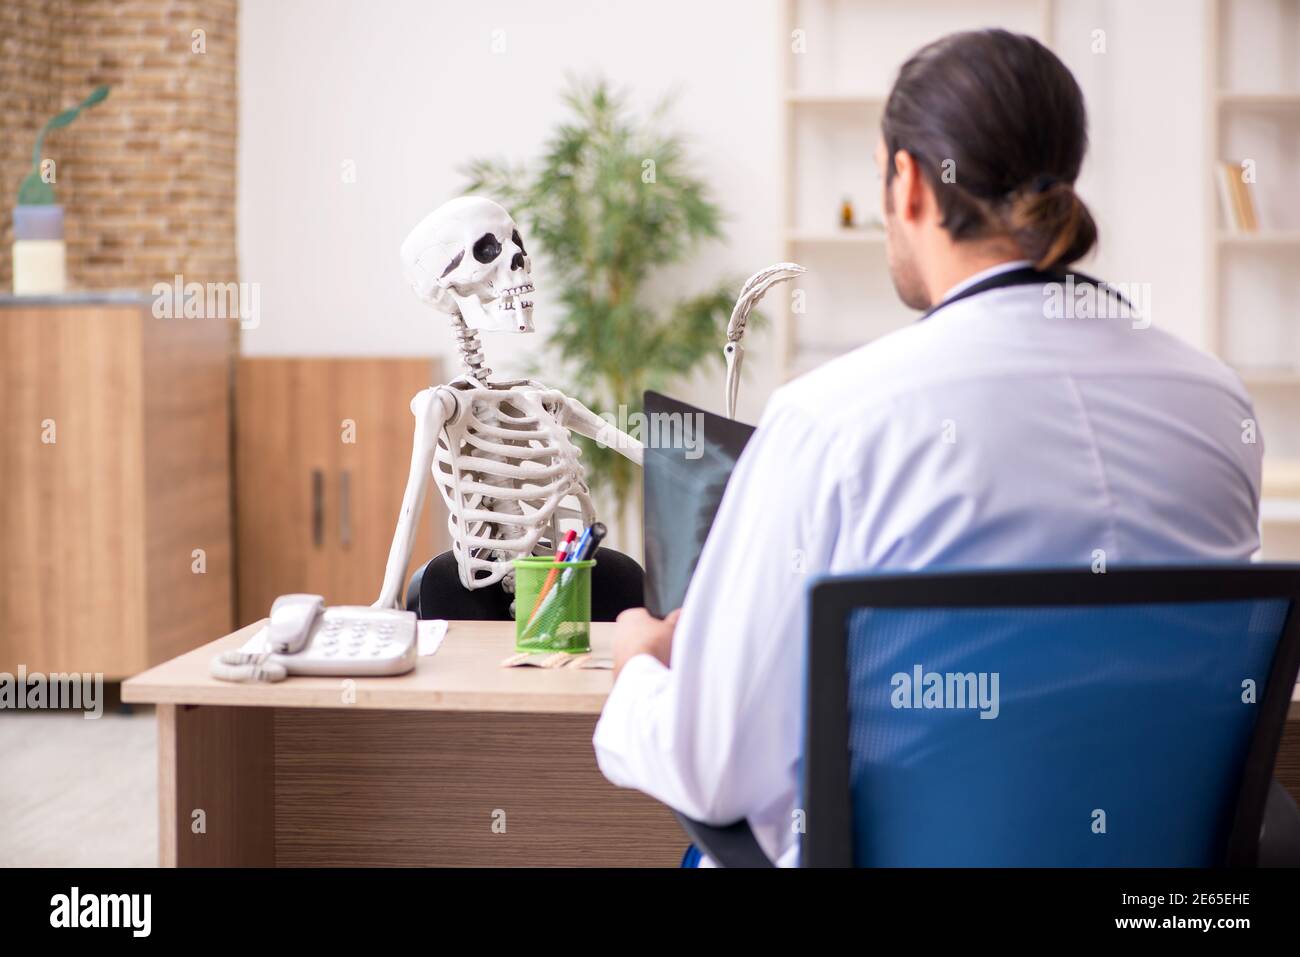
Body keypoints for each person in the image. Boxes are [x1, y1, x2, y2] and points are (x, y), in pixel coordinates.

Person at [592, 29, 1263, 866]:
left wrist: (636, 671)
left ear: (907, 181)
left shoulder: (832, 419)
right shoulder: (1216, 403)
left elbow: (715, 770)